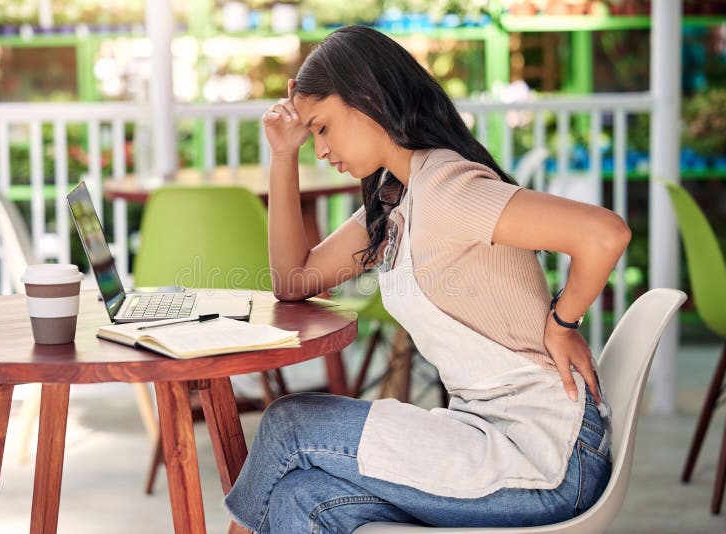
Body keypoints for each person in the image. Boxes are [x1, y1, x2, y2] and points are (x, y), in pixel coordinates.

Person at [225, 25, 630, 533]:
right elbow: (294, 278)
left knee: (289, 425)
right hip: (484, 434)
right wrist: (284, 154)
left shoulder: (445, 187)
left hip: (546, 455)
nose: (320, 149)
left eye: (322, 127)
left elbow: (603, 233)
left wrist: (562, 322)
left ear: (368, 99)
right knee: (300, 497)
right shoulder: (398, 199)